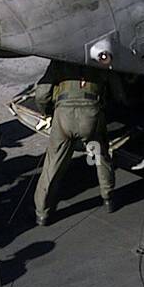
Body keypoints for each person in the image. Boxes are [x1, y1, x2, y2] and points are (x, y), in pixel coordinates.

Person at [31, 59, 115, 225]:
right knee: (99, 157)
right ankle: (108, 198)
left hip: (63, 117)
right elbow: (118, 91)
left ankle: (42, 213)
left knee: (52, 164)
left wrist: (46, 112)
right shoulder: (99, 59)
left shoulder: (60, 60)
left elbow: (41, 93)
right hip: (90, 117)